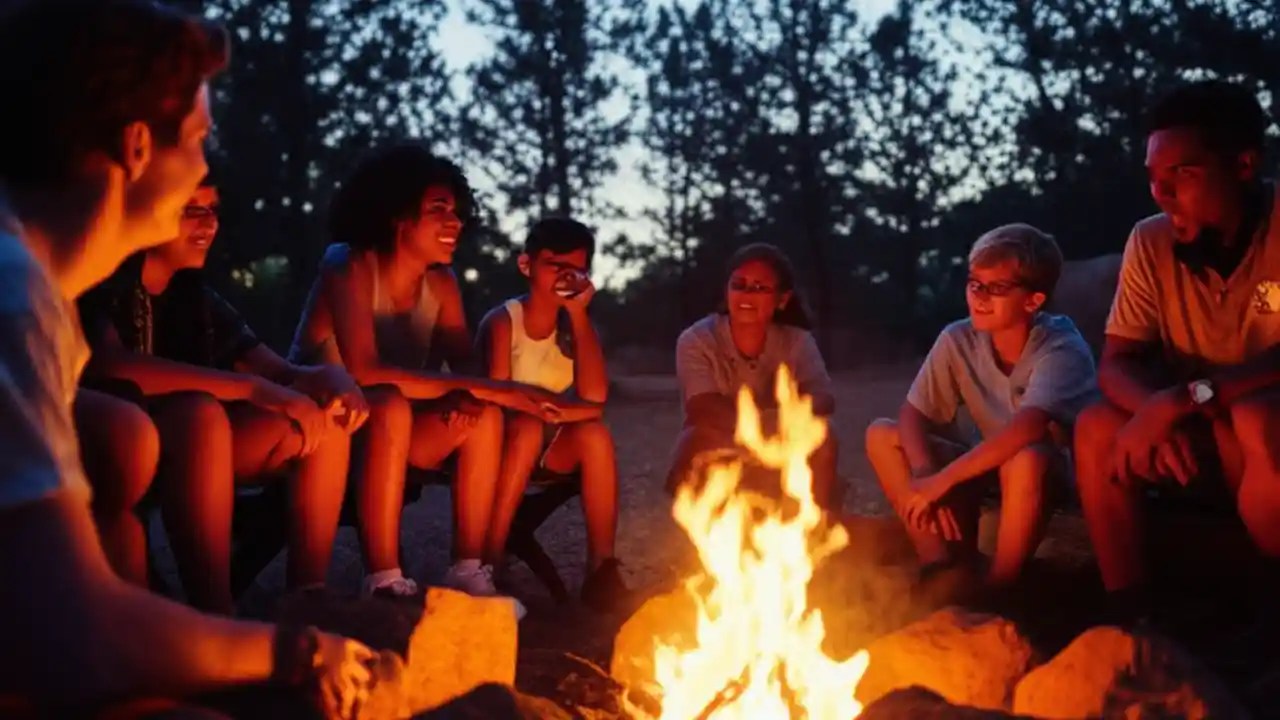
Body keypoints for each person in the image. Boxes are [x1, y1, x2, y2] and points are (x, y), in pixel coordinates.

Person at [0, 1, 373, 716]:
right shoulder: (14, 296)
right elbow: (80, 637)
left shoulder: (33, 287)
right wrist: (295, 652)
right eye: (199, 141)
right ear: (137, 146)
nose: (205, 171)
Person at [81, 177, 370, 615]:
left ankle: (307, 597)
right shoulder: (101, 283)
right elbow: (110, 365)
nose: (208, 223)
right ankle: (215, 609)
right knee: (199, 413)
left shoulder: (196, 297)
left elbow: (277, 370)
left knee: (325, 422)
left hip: (200, 452)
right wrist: (252, 389)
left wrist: (330, 379)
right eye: (191, 210)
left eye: (213, 210)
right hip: (111, 443)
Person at [290, 143, 556, 605]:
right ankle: (383, 578)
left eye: (456, 211)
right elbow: (365, 371)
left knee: (483, 415)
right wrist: (494, 388)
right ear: (397, 214)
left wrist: (469, 394)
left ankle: (469, 570)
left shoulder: (441, 283)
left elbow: (465, 365)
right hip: (324, 426)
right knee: (392, 402)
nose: (455, 222)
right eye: (438, 210)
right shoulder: (347, 264)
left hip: (393, 432)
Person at [1073, 80, 1280, 624]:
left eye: (1182, 174)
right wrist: (1154, 408)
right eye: (1153, 177)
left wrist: (1184, 399)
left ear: (1243, 165)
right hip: (1198, 426)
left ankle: (1268, 608)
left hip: (1260, 420)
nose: (1161, 193)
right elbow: (1116, 362)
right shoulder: (1151, 241)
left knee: (1254, 419)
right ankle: (1131, 620)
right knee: (1096, 427)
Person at [865, 224, 1098, 590]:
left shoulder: (1060, 348)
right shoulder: (958, 338)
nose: (979, 296)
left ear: (1033, 300)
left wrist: (943, 481)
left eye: (997, 288)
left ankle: (1000, 587)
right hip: (980, 469)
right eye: (974, 283)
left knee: (1027, 458)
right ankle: (938, 566)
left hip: (1042, 477)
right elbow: (913, 413)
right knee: (882, 434)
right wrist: (926, 473)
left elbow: (1028, 428)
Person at [476, 218, 631, 611]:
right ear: (526, 265)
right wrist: (545, 407)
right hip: (495, 440)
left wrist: (578, 314)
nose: (565, 277)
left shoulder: (575, 328)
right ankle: (490, 558)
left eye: (576, 269)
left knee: (594, 433)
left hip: (548, 437)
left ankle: (601, 569)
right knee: (528, 425)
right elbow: (496, 395)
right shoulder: (503, 322)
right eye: (554, 265)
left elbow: (594, 398)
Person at [668, 243, 843, 511]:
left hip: (782, 439)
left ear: (782, 299)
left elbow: (823, 398)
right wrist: (757, 432)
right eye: (739, 285)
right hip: (721, 439)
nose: (747, 294)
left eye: (760, 288)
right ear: (727, 291)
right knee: (697, 438)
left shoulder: (796, 340)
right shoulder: (697, 340)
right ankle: (713, 521)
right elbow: (701, 406)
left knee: (825, 433)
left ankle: (813, 522)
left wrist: (779, 426)